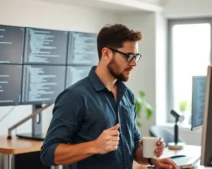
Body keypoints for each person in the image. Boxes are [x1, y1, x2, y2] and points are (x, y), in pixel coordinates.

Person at [40, 24, 178, 169]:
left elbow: (134, 147)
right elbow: (48, 153)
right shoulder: (75, 97)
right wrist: (95, 146)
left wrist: (152, 158)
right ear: (106, 54)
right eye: (128, 56)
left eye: (136, 56)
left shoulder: (127, 95)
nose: (134, 63)